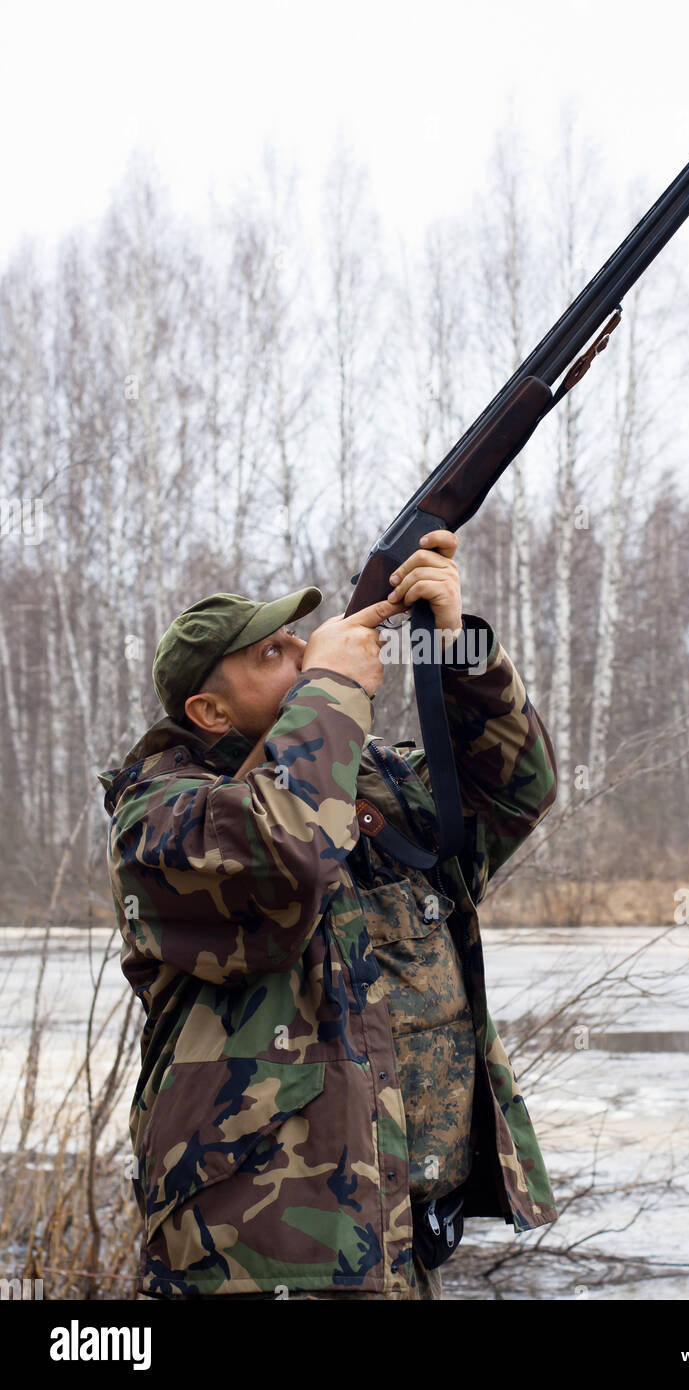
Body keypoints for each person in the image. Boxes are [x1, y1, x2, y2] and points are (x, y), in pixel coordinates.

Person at [98, 528, 558, 1300]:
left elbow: (514, 794)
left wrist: (455, 649)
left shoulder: (363, 785)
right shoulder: (159, 822)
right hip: (254, 1259)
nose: (307, 653)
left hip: (391, 1240)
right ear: (209, 710)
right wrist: (336, 690)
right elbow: (285, 851)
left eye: (296, 639)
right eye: (272, 656)